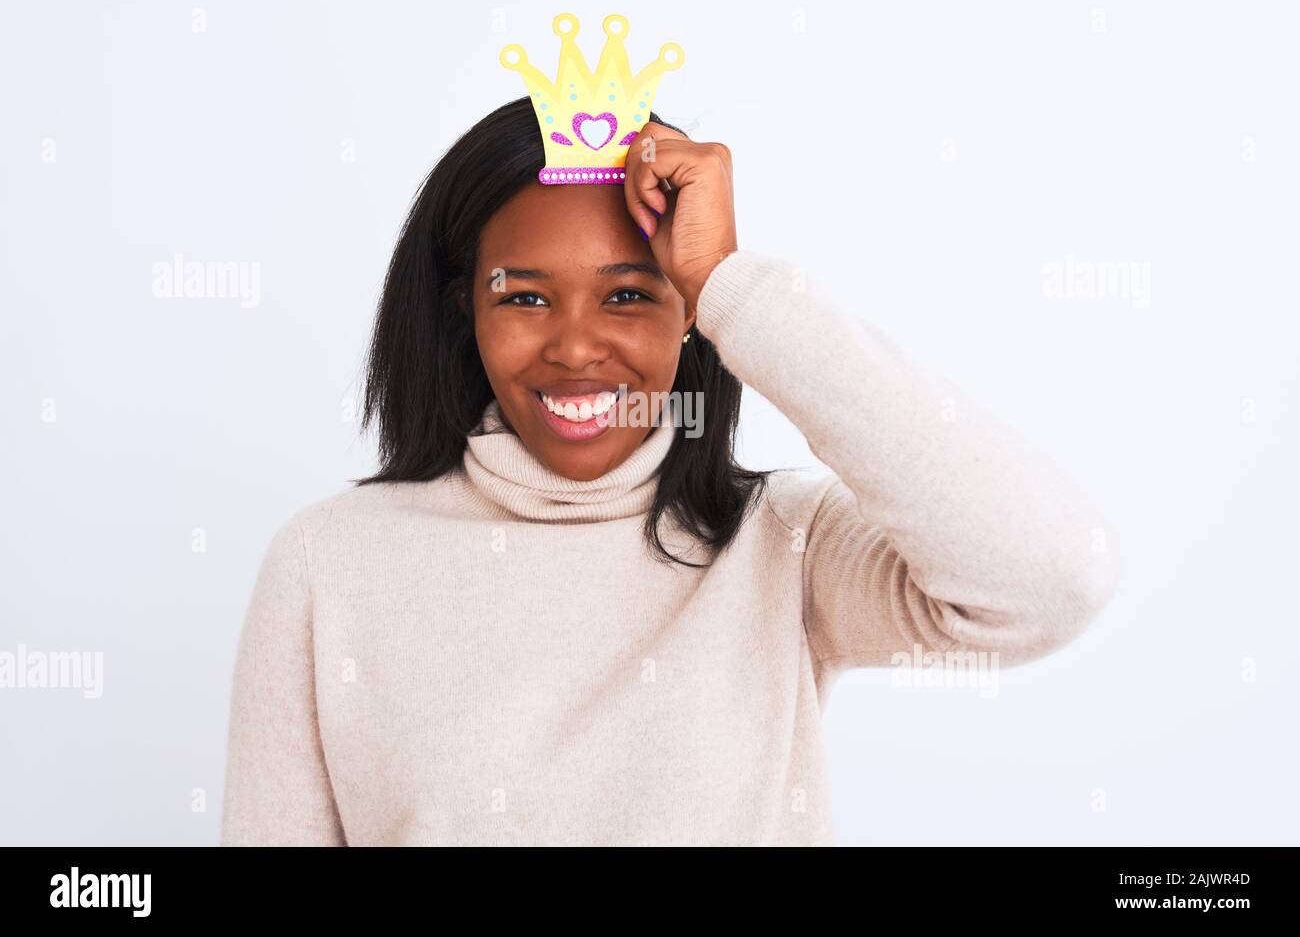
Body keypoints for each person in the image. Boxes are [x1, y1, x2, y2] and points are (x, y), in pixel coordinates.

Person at [219, 98, 1120, 846]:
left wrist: (732, 283)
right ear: (467, 314)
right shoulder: (328, 564)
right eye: (525, 296)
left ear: (689, 317)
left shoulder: (783, 547)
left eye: (630, 294)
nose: (576, 347)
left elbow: (1050, 576)